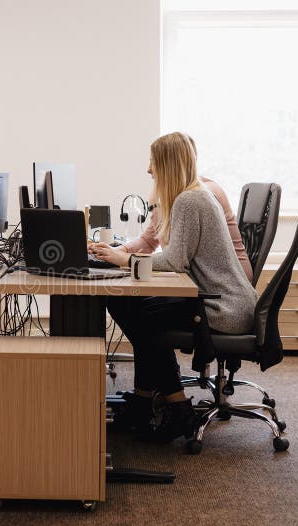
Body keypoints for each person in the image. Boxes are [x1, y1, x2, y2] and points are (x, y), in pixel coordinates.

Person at [89, 132, 257, 442]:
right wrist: (121, 256)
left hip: (224, 307)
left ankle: (176, 406)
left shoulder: (190, 199)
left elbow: (174, 261)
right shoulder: (187, 196)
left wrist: (122, 260)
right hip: (215, 298)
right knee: (128, 305)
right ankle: (146, 398)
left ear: (166, 164)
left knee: (139, 311)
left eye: (152, 162)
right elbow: (173, 257)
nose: (148, 170)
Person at [121, 148, 253, 283]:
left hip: (226, 280)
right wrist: (120, 250)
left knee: (133, 298)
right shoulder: (178, 197)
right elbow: (149, 241)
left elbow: (175, 258)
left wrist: (125, 258)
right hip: (202, 278)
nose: (148, 170)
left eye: (154, 162)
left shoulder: (198, 196)